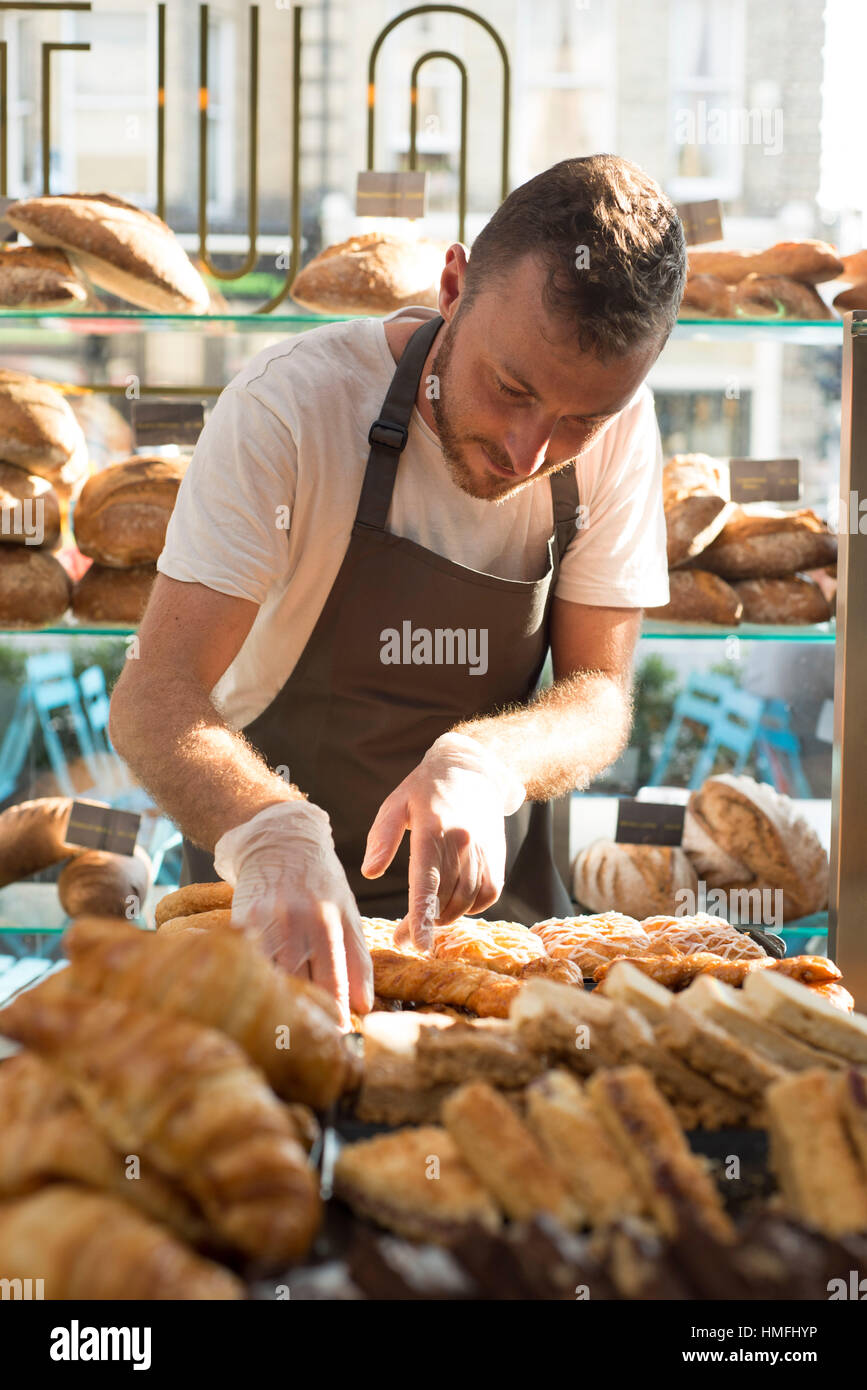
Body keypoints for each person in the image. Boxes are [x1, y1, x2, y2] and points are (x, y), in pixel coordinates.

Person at [109, 154, 685, 1026]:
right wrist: (271, 832)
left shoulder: (620, 423)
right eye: (510, 388)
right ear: (453, 286)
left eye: (579, 422)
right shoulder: (290, 410)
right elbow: (156, 693)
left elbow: (598, 694)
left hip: (484, 942)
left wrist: (486, 762)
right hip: (267, 939)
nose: (527, 453)